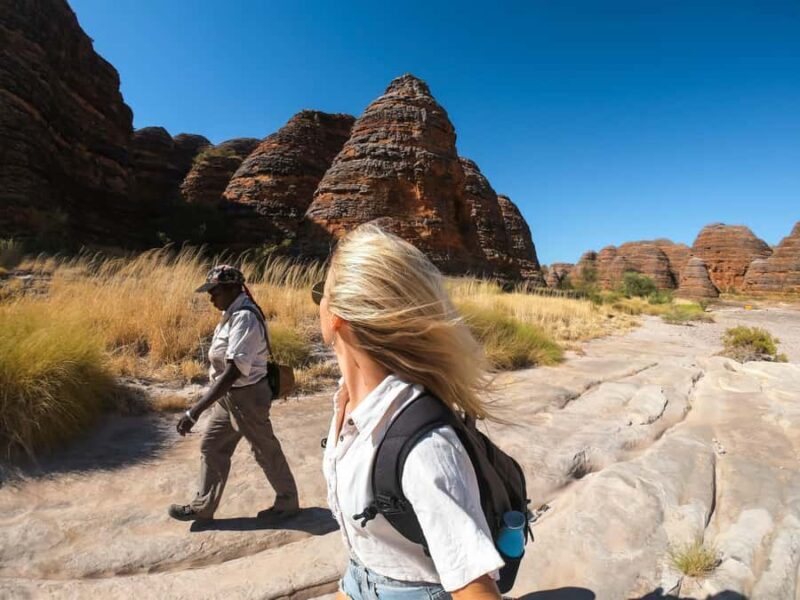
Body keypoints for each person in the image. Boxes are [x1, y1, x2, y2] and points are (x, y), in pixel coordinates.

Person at [313, 225, 505, 600]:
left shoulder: (425, 448)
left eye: (319, 293)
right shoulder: (350, 407)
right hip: (359, 579)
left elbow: (475, 590)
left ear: (337, 316)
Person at [168, 265, 299, 522]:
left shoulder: (244, 318)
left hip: (246, 396)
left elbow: (234, 371)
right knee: (212, 446)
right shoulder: (232, 313)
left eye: (214, 291)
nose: (210, 297)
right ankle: (203, 507)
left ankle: (288, 503)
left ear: (230, 288)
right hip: (230, 396)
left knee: (264, 449)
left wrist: (194, 411)